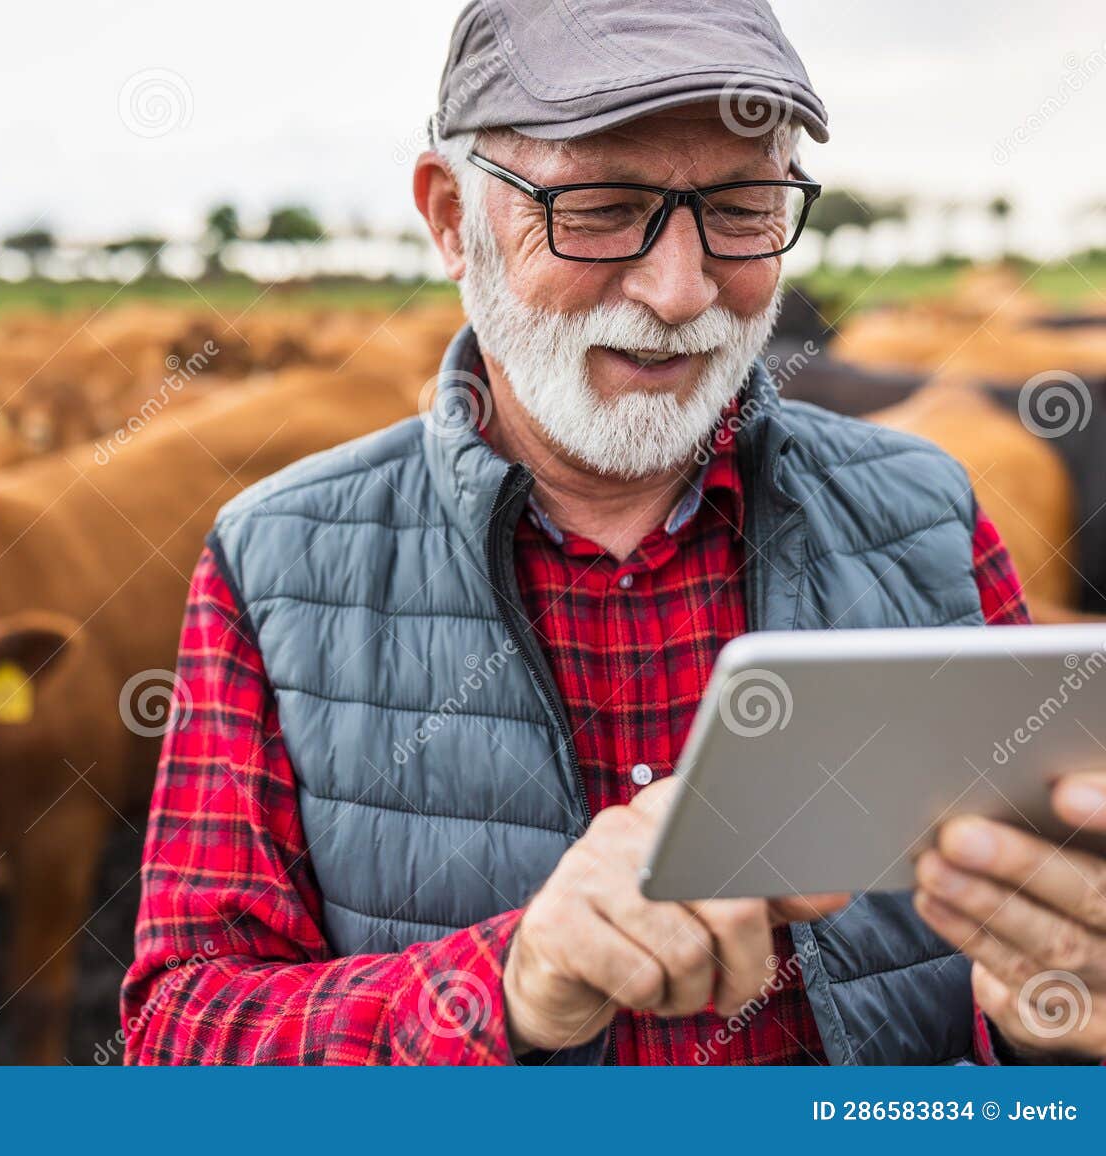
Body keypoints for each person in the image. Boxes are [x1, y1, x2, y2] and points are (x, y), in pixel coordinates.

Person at [121, 0, 1105, 1064]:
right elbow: (182, 1027)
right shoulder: (276, 561)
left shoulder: (929, 514)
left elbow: (1029, 992)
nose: (680, 291)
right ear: (451, 217)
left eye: (741, 207)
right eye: (597, 206)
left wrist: (1056, 1024)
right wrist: (505, 985)